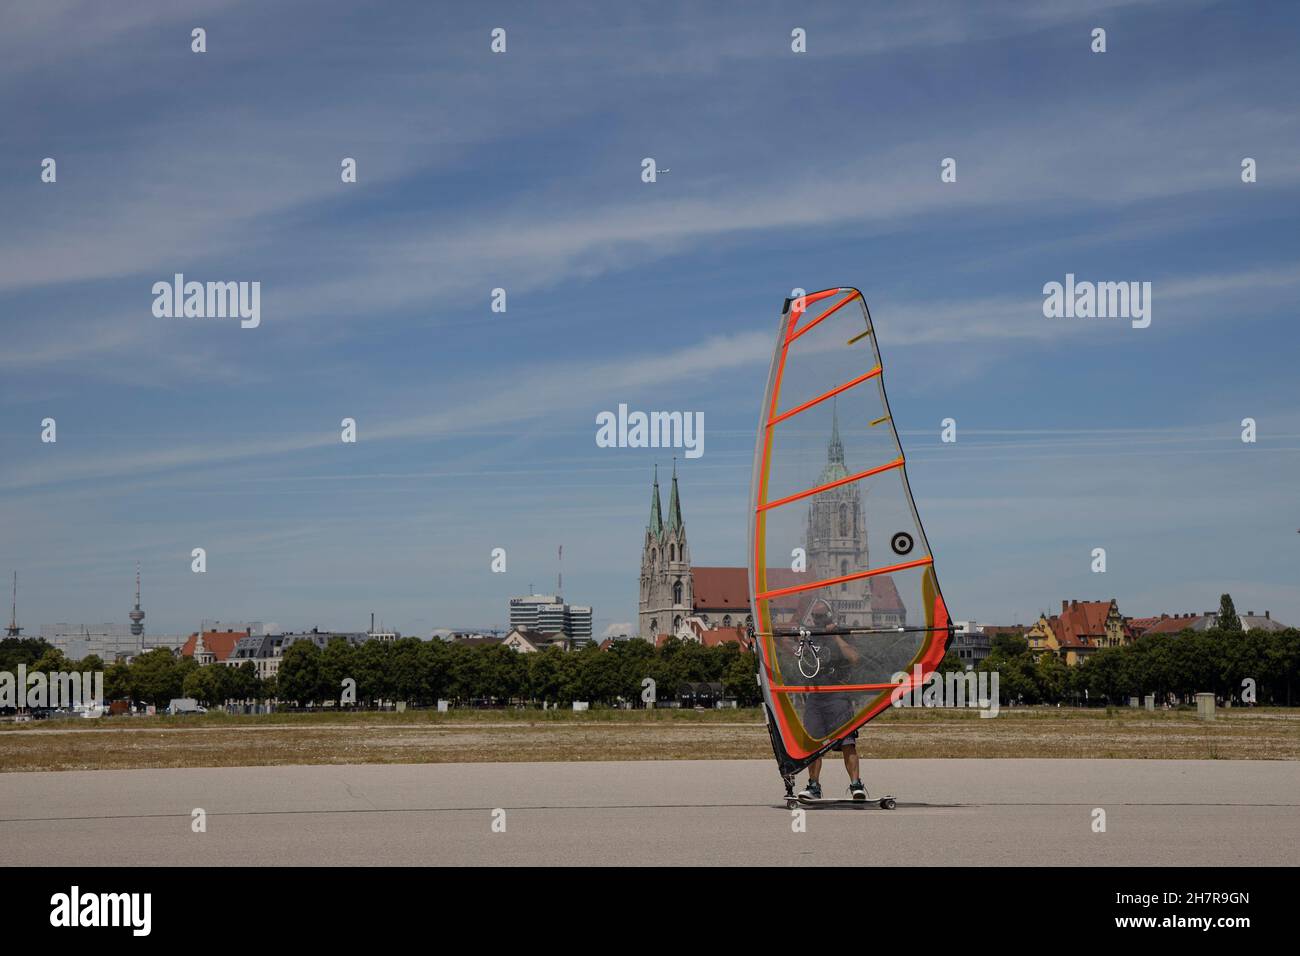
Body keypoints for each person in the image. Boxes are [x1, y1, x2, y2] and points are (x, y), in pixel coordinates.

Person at [792, 602, 867, 800]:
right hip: (815, 696)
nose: (819, 620)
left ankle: (856, 785)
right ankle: (813, 786)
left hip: (838, 695)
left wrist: (836, 636)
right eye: (815, 617)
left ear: (830, 615)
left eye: (822, 616)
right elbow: (794, 655)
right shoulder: (810, 635)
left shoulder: (841, 634)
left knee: (847, 742)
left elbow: (855, 658)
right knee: (813, 744)